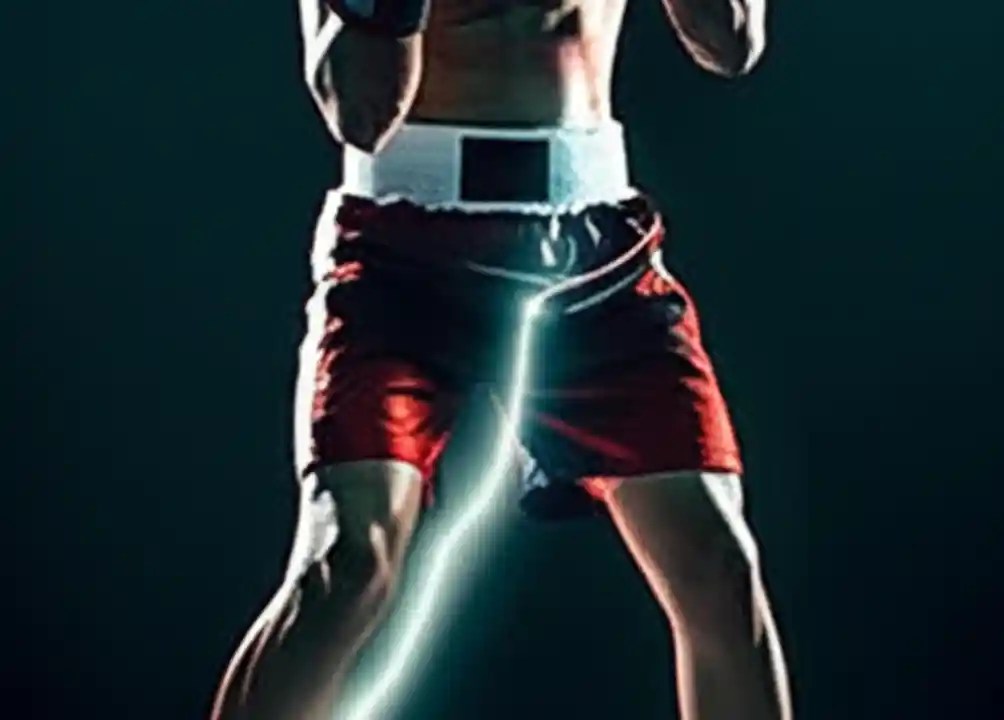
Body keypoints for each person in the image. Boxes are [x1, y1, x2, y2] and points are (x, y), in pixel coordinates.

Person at [210, 1, 791, 718]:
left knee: (718, 567)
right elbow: (360, 109)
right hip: (403, 250)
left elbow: (732, 43)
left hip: (594, 248)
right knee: (347, 566)